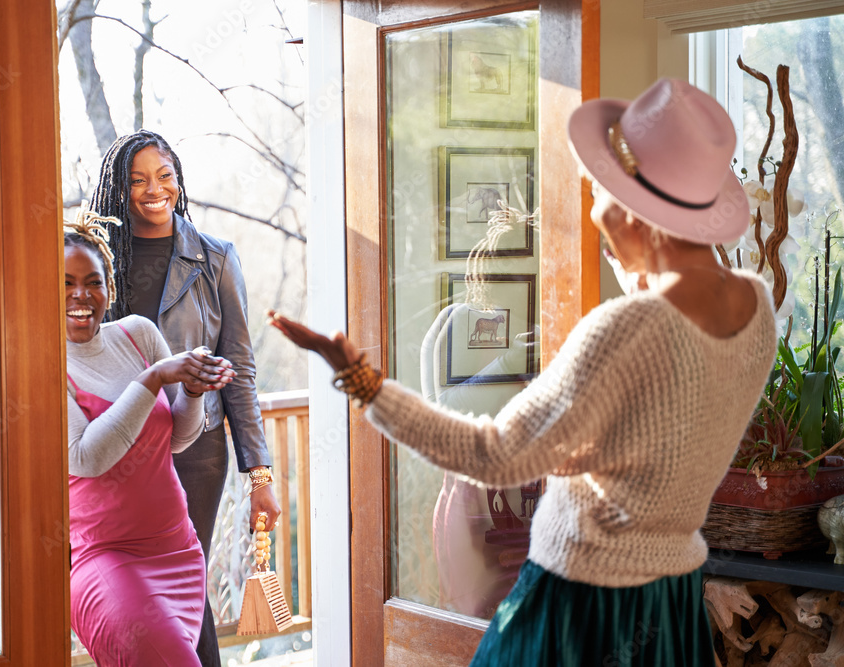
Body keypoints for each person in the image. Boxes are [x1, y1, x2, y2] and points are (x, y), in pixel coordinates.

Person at [268, 78, 778, 666]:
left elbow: (494, 455)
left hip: (582, 604)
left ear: (640, 213)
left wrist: (363, 382)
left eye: (602, 190)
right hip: (670, 606)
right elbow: (666, 413)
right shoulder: (753, 306)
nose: (594, 209)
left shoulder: (625, 329)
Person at [89, 129, 280, 666]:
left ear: (179, 178)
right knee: (132, 591)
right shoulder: (103, 261)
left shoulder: (215, 258)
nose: (155, 189)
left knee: (181, 588)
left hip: (197, 450)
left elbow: (240, 367)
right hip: (120, 445)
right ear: (118, 190)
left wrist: (259, 476)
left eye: (165, 175)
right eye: (138, 180)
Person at [64, 205, 237, 666]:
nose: (81, 295)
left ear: (109, 287)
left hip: (177, 550)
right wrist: (155, 378)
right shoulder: (47, 368)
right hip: (108, 560)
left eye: (93, 281)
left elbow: (177, 437)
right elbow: (86, 457)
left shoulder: (138, 335)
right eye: (65, 283)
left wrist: (195, 390)